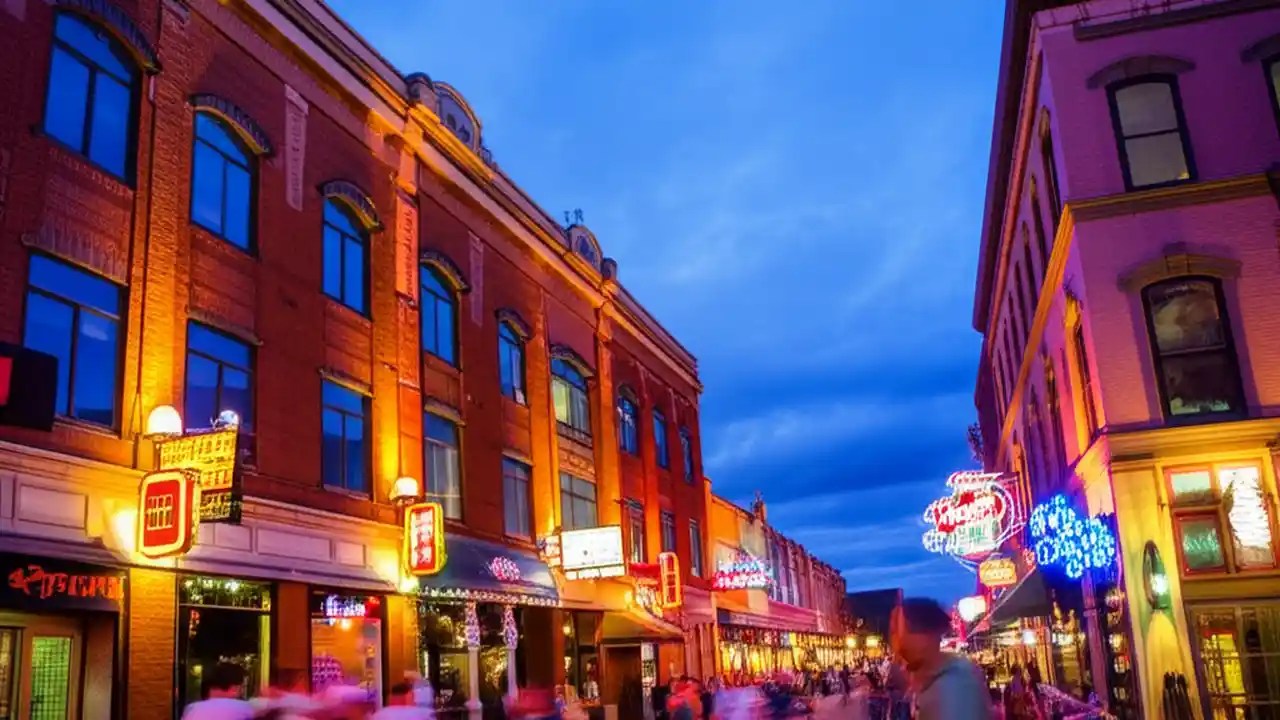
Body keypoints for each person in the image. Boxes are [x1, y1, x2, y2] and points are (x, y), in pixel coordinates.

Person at [890, 597, 991, 720]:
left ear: (925, 636)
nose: (896, 642)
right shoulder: (935, 681)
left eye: (898, 631)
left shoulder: (954, 687)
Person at [182, 662, 256, 720]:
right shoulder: (241, 708)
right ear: (234, 688)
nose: (242, 692)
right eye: (242, 687)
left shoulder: (191, 709)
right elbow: (263, 705)